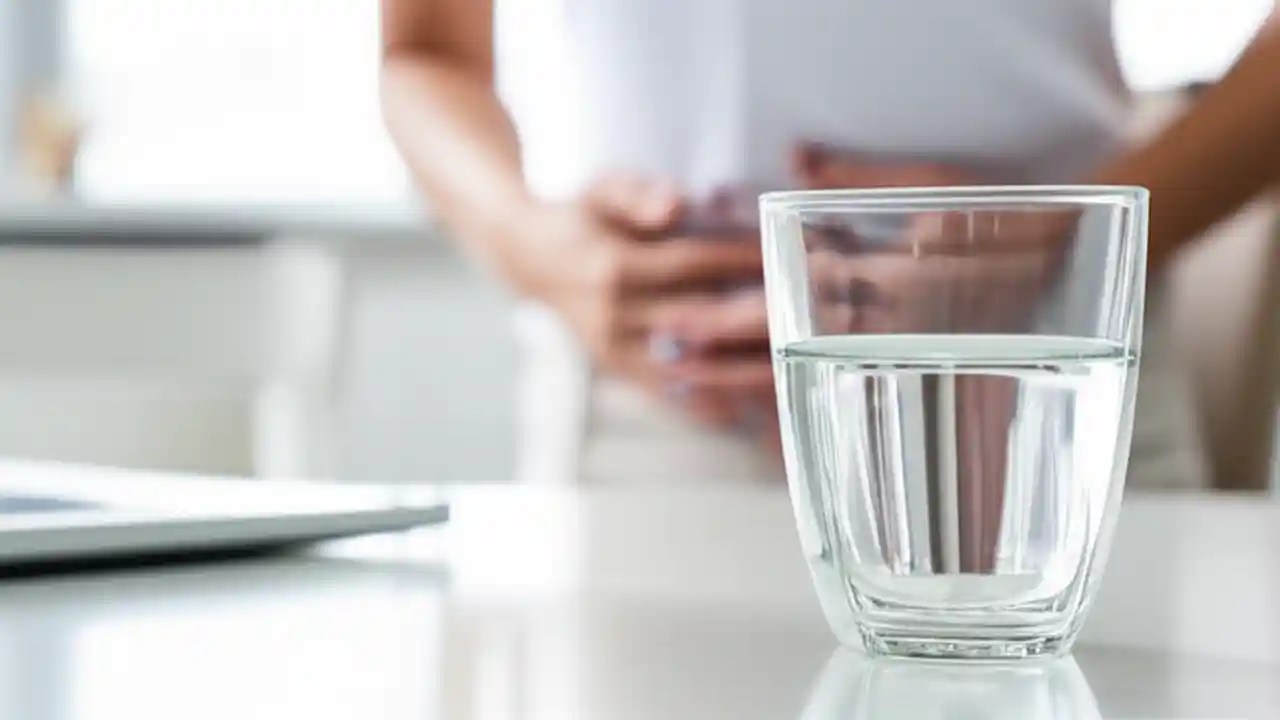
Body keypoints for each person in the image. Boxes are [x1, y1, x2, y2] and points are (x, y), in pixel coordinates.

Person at [380, 1, 1280, 488]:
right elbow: (426, 53)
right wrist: (534, 244)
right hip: (671, 412)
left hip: (1053, 397)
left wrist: (1069, 236)